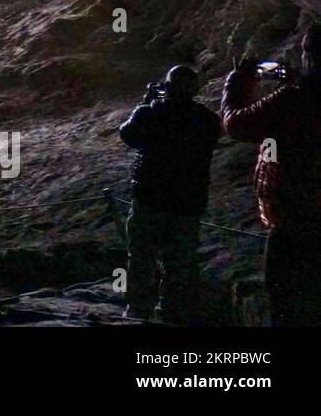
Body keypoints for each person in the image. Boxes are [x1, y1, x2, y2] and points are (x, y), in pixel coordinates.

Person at [221, 25, 321, 326]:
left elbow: (236, 124)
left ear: (310, 56)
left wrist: (239, 82)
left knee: (287, 298)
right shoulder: (299, 94)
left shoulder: (293, 99)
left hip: (296, 215)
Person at [118, 64, 220, 323]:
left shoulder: (151, 113)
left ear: (168, 87)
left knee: (142, 257)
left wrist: (146, 103)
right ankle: (173, 312)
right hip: (188, 203)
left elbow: (128, 135)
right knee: (180, 262)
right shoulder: (207, 119)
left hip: (150, 199)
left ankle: (138, 310)